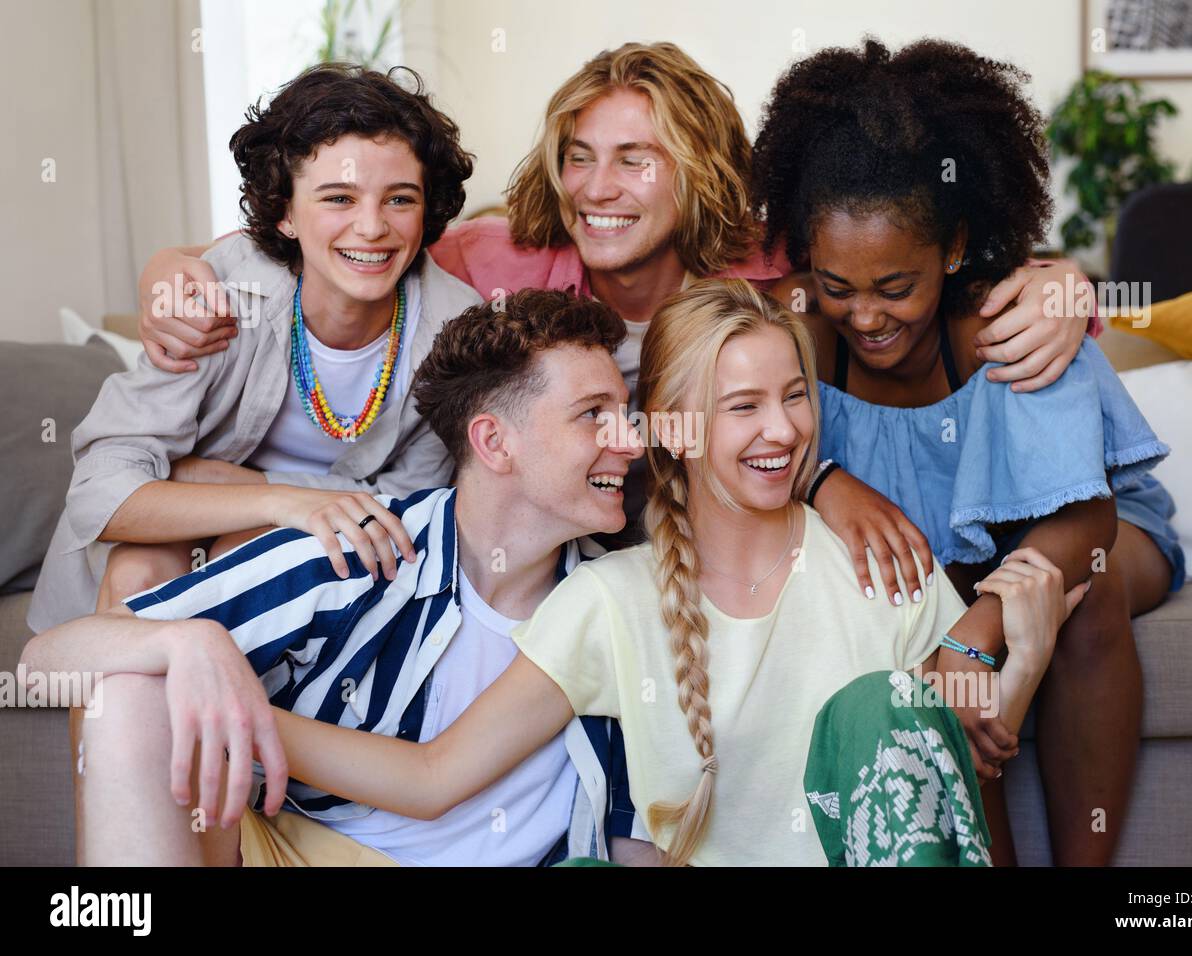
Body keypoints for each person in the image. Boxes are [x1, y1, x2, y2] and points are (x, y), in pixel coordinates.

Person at [135, 42, 1099, 606]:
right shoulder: (496, 261)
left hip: (705, 532)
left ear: (697, 171)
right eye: (581, 156)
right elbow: (342, 229)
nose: (598, 189)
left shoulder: (767, 267)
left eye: (636, 160)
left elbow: (916, 269)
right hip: (556, 543)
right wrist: (177, 263)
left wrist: (1066, 285)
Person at [190, 279, 1088, 867]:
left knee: (873, 706)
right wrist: (238, 711)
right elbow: (434, 779)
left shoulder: (876, 560)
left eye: (794, 397)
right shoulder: (607, 600)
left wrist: (1021, 657)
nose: (781, 430)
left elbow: (948, 783)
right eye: (742, 407)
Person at [21, 290, 655, 866]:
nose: (629, 441)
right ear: (493, 442)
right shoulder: (361, 551)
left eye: (623, 413)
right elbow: (44, 662)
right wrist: (187, 643)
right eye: (593, 414)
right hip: (303, 853)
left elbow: (635, 832)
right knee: (133, 690)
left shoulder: (615, 602)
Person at [752, 37, 1184, 865]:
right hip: (952, 550)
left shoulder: (1007, 324)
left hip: (1088, 526)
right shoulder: (793, 322)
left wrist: (975, 633)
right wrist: (827, 479)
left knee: (1070, 598)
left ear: (951, 250)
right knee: (927, 623)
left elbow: (1084, 520)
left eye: (896, 287)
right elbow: (696, 401)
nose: (867, 316)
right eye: (840, 285)